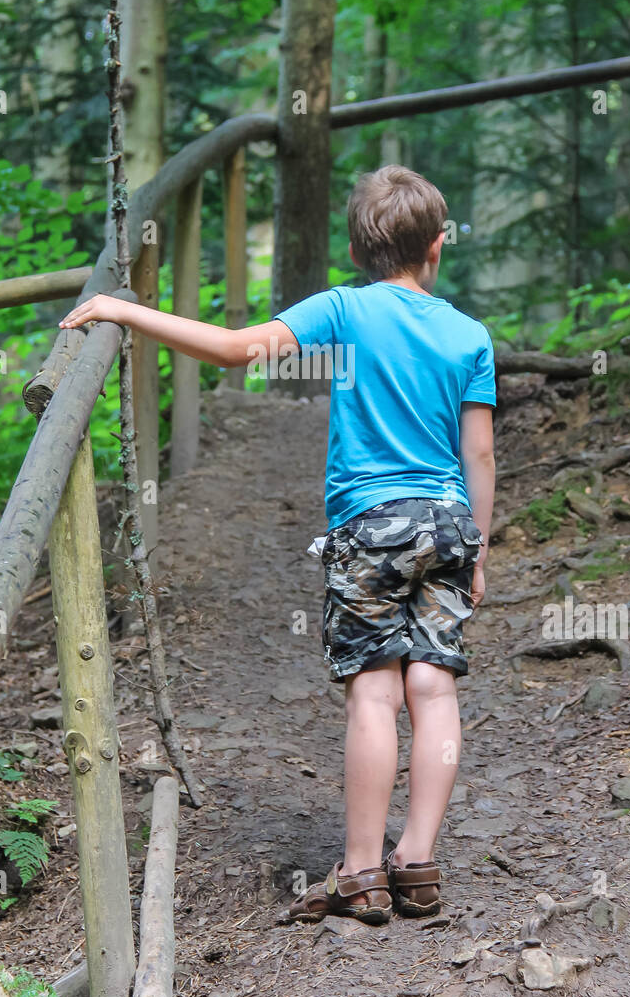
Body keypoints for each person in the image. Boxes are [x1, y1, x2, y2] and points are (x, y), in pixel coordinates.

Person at [59, 164, 496, 925]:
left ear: (360, 249)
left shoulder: (344, 310)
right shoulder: (470, 334)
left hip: (371, 526)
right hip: (449, 523)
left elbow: (234, 351)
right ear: (436, 247)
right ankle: (418, 862)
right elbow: (480, 456)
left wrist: (127, 313)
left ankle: (361, 871)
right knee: (435, 689)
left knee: (374, 689)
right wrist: (479, 550)